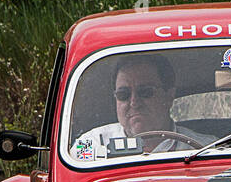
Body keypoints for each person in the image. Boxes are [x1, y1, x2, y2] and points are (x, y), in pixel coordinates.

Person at [71, 54, 212, 160]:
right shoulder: (90, 144)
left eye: (145, 92)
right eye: (123, 94)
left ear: (169, 96)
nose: (134, 102)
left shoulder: (206, 148)